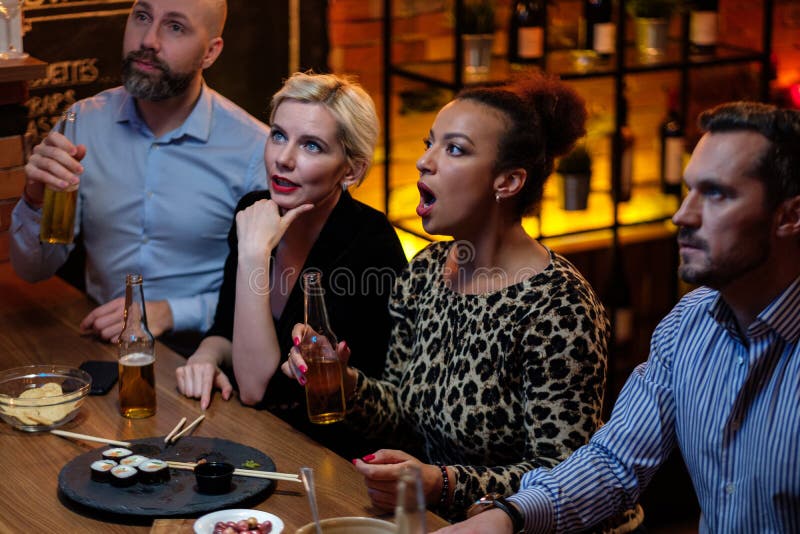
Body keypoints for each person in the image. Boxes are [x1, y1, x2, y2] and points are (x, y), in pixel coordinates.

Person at [434, 101, 800, 533]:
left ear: (790, 216)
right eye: (689, 191)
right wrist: (509, 516)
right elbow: (614, 462)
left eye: (717, 194)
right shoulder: (689, 323)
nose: (683, 215)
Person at [282, 75, 610, 520]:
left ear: (509, 181)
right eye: (429, 143)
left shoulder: (559, 307)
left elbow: (566, 477)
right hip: (436, 522)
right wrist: (345, 385)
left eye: (453, 149)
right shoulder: (426, 270)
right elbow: (400, 410)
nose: (424, 162)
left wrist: (444, 483)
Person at [10, 0, 268, 352]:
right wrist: (34, 202)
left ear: (210, 52)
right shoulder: (83, 123)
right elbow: (33, 270)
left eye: (175, 27)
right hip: (102, 342)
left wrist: (170, 312)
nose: (149, 40)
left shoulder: (255, 150)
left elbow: (275, 288)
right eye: (142, 17)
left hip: (205, 352)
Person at [175, 72, 407, 458]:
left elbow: (255, 388)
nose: (283, 158)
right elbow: (226, 329)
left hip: (334, 458)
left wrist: (254, 257)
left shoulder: (370, 244)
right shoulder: (254, 210)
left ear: (350, 171)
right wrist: (206, 355)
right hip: (254, 438)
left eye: (312, 146)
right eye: (278, 135)